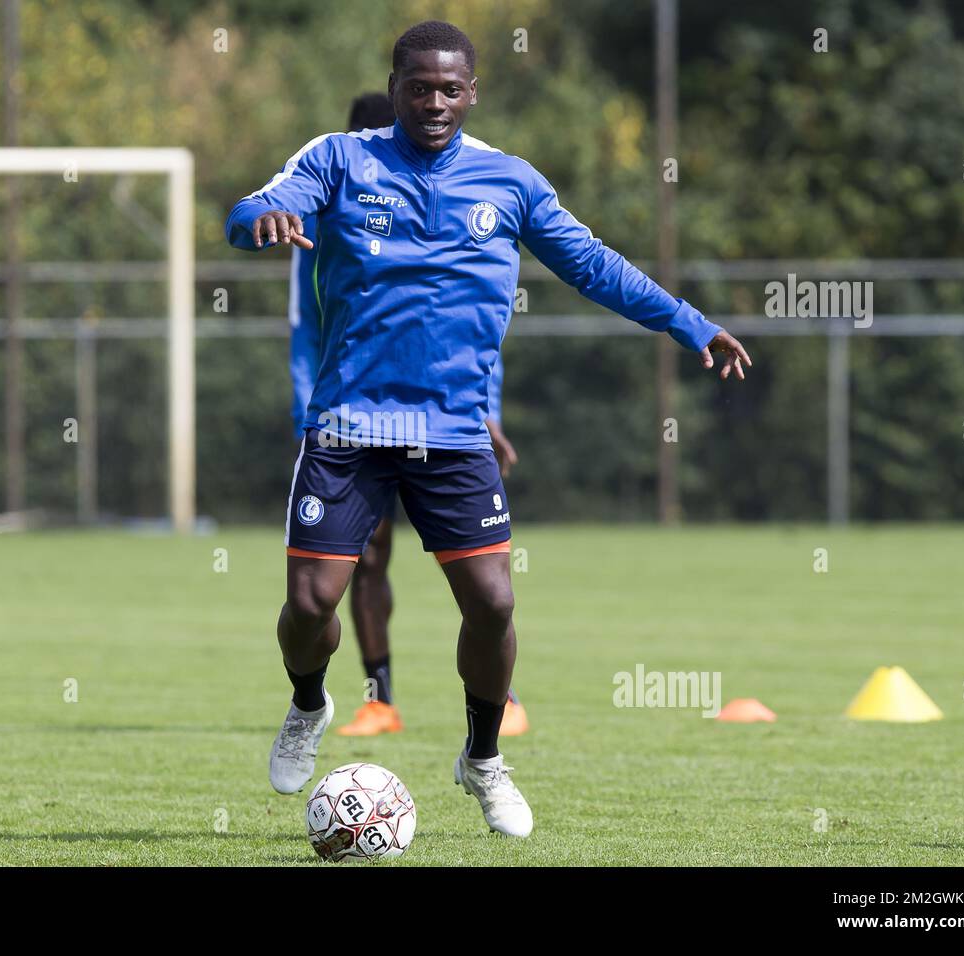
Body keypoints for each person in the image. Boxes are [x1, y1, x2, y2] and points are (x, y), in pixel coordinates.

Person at [226, 19, 750, 837]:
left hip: (454, 434)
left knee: (495, 604)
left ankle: (482, 759)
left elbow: (596, 264)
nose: (434, 102)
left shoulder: (509, 183)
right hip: (348, 428)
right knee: (310, 602)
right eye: (418, 87)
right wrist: (258, 218)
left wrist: (689, 323)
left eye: (450, 89)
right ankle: (307, 703)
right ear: (394, 85)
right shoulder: (340, 157)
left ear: (473, 92)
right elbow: (260, 203)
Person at [288, 91, 530, 739]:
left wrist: (487, 411)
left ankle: (494, 706)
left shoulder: (469, 191)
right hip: (349, 423)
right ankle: (378, 695)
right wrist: (306, 417)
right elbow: (305, 330)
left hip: (444, 424)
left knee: (486, 590)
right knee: (358, 568)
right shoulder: (320, 215)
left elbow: (467, 324)